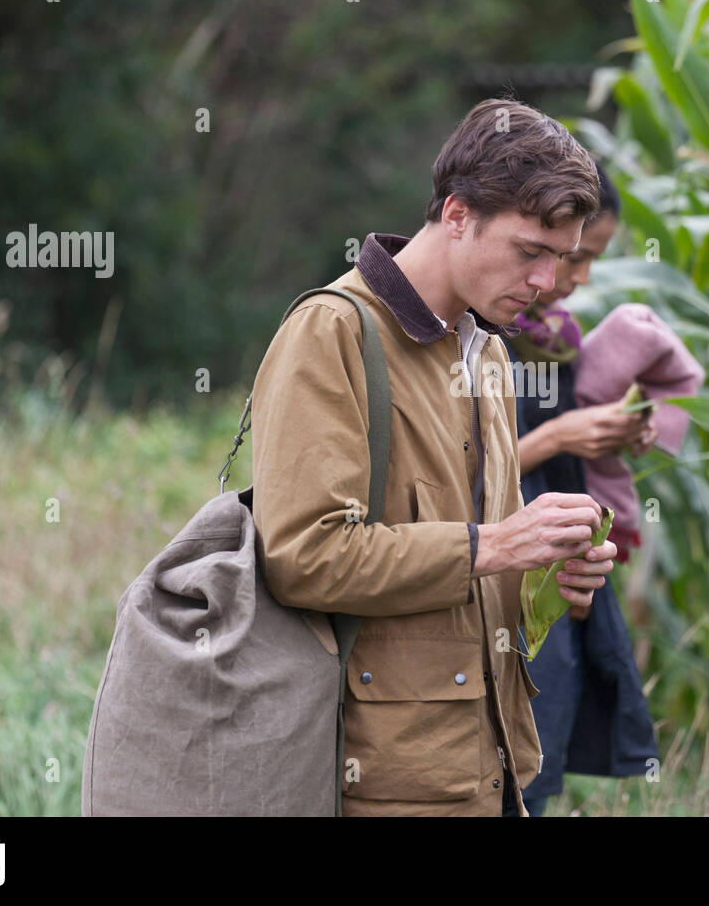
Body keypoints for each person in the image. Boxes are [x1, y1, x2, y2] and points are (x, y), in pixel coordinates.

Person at [249, 98, 619, 816]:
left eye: (564, 258)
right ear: (456, 216)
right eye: (530, 252)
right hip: (377, 786)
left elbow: (484, 582)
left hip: (495, 774)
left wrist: (551, 575)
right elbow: (300, 555)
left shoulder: (489, 356)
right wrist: (494, 543)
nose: (548, 282)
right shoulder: (330, 333)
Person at [504, 159, 661, 815]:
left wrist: (617, 427)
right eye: (574, 257)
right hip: (495, 584)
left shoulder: (553, 340)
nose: (579, 277)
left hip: (551, 586)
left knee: (533, 768)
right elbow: (448, 472)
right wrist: (562, 437)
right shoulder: (472, 337)